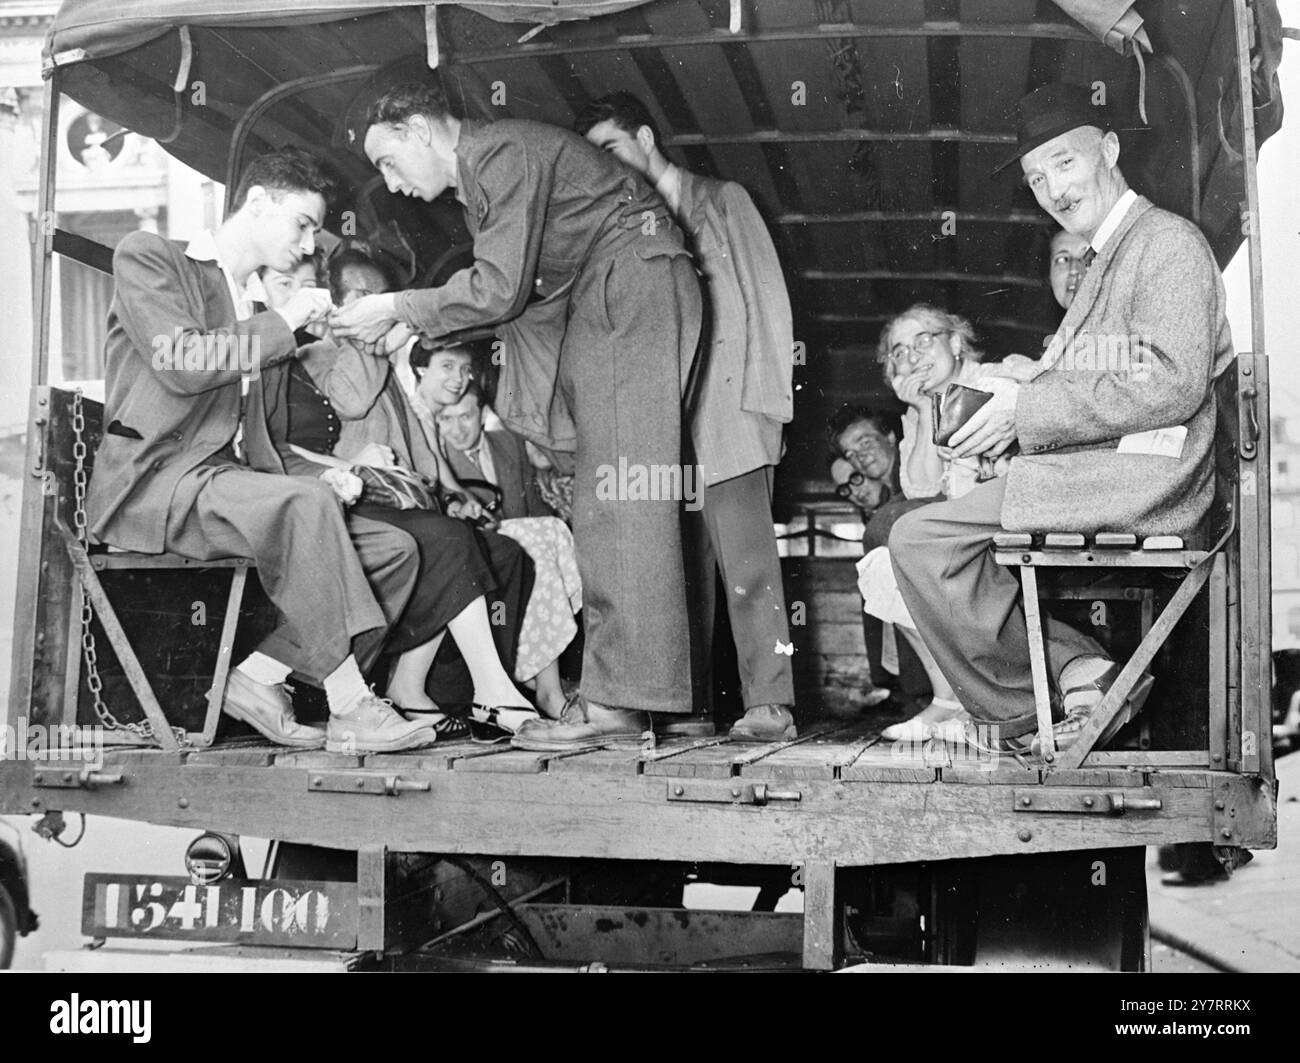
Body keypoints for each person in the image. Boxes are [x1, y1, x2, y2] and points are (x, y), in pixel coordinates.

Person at [330, 68, 703, 752]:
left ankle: (627, 703)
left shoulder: (499, 153)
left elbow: (499, 290)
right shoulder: (488, 177)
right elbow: (526, 297)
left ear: (417, 131)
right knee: (610, 496)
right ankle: (638, 695)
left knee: (624, 498)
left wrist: (397, 306)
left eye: (388, 158)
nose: (390, 181)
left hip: (631, 290)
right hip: (614, 295)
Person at [889, 82, 1234, 756]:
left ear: (1107, 149)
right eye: (1036, 177)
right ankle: (1083, 675)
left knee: (919, 541)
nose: (1053, 188)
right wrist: (1029, 388)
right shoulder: (1112, 252)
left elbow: (1169, 380)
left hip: (1143, 477)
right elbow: (1113, 375)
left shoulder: (1164, 241)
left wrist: (1029, 406)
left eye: (1065, 163)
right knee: (926, 538)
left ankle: (1028, 705)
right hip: (1102, 467)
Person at [86, 148, 436, 754]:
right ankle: (353, 707)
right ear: (256, 202)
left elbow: (261, 447)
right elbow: (182, 363)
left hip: (224, 484)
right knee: (303, 508)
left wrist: (340, 474)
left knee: (396, 550)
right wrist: (288, 319)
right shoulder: (150, 256)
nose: (308, 244)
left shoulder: (248, 306)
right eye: (302, 223)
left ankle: (255, 678)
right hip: (154, 485)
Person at [576, 92, 797, 743]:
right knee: (680, 568)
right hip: (665, 428)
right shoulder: (628, 229)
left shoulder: (723, 200)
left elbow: (768, 300)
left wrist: (768, 408)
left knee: (751, 564)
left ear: (645, 138)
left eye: (610, 148)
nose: (603, 164)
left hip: (733, 415)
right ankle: (689, 704)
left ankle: (773, 702)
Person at [253, 258, 545, 739]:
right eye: (289, 286)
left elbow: (415, 451)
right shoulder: (313, 356)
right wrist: (370, 343)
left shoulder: (347, 360)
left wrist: (443, 491)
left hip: (375, 495)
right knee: (448, 542)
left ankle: (433, 690)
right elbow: (342, 407)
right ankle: (490, 693)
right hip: (337, 501)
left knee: (505, 553)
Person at [438, 381, 549, 520]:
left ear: (483, 415)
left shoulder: (511, 442)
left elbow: (535, 506)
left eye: (465, 416)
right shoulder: (437, 462)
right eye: (446, 418)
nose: (457, 429)